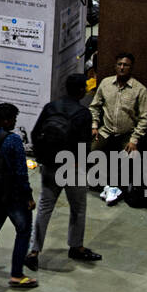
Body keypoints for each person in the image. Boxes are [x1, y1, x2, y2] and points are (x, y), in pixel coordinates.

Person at [27, 74, 102, 272]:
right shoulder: (83, 113)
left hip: (50, 166)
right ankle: (76, 246)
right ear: (80, 91)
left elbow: (35, 134)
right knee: (78, 208)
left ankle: (33, 251)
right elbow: (84, 145)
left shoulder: (51, 107)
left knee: (44, 207)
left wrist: (44, 158)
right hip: (72, 167)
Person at [0, 102, 36, 287]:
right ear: (5, 120)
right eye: (13, 119)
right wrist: (29, 197)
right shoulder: (13, 141)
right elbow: (21, 172)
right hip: (13, 197)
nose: (14, 122)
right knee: (23, 230)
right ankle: (16, 275)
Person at [90, 51, 147, 154]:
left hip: (127, 134)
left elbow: (144, 118)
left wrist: (134, 140)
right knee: (92, 151)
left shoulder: (140, 90)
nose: (122, 67)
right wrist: (94, 125)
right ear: (115, 66)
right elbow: (94, 106)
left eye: (125, 65)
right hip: (106, 131)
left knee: (131, 158)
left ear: (131, 68)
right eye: (119, 64)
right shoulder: (105, 83)